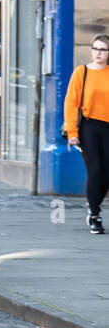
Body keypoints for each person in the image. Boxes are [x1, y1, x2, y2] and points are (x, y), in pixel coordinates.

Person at [65, 34, 109, 235]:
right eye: (95, 48)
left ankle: (92, 204)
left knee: (107, 174)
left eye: (103, 49)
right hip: (88, 128)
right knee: (95, 171)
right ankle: (95, 215)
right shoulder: (81, 73)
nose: (98, 53)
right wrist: (72, 132)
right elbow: (71, 103)